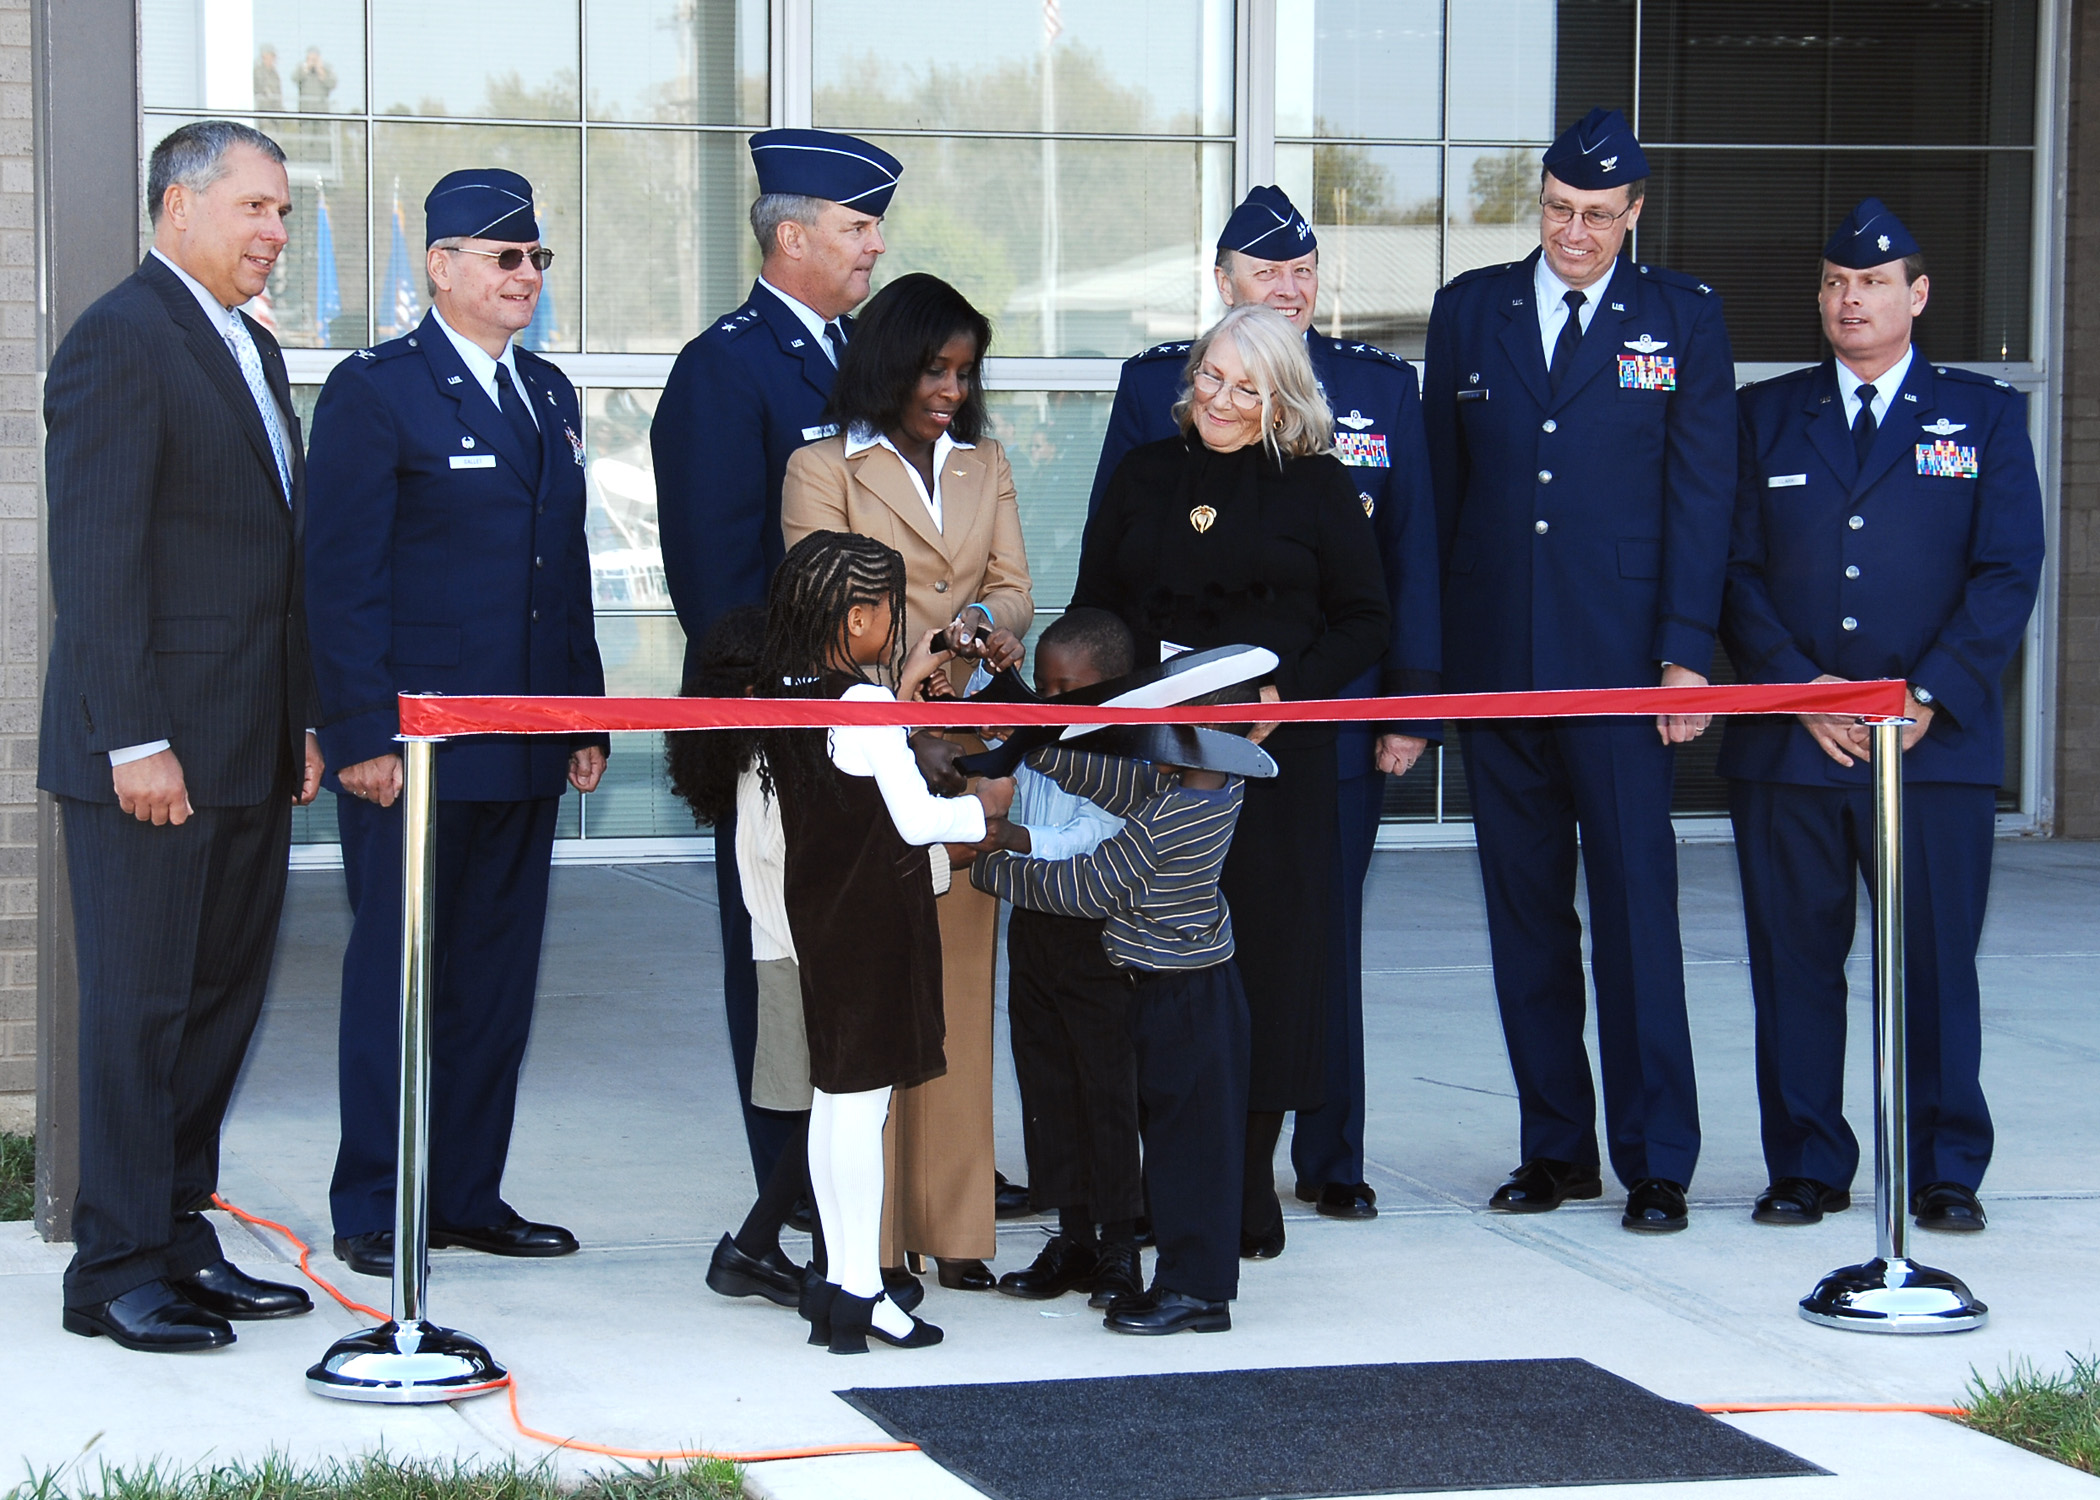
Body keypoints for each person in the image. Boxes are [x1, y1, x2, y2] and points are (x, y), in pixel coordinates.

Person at [1086, 185, 1439, 1221]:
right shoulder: (1147, 457)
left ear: (1282, 395)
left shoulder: (1328, 467)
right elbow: (1100, 601)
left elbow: (1382, 596)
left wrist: (1338, 697)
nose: (1223, 397)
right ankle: (1165, 1168)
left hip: (1283, 754)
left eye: (1248, 387)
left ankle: (1277, 1172)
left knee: (1288, 962)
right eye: (1212, 376)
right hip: (1161, 758)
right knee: (1157, 955)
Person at [1422, 107, 1736, 1233]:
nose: (1575, 232)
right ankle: (1556, 1149)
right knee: (1526, 920)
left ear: (1634, 214)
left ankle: (1656, 1160)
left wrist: (1686, 655)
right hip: (1500, 665)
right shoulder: (1473, 310)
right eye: (1560, 209)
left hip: (1622, 670)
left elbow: (1703, 493)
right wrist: (1434, 667)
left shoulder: (1682, 318)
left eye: (1599, 215)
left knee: (1637, 918)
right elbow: (1441, 497)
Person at [40, 120, 324, 1352]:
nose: (275, 233)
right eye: (256, 207)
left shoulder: (250, 346)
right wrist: (132, 741)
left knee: (216, 1008)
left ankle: (175, 1233)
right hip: (151, 757)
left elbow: (274, 559)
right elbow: (98, 564)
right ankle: (111, 1268)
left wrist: (301, 717)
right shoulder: (121, 337)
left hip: (248, 746)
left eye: (282, 212)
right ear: (178, 207)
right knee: (141, 1012)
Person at [305, 168, 608, 1279]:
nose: (527, 275)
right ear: (441, 266)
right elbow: (340, 581)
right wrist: (358, 734)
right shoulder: (377, 391)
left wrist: (582, 712)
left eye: (536, 258)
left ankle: (468, 1194)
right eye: (504, 256)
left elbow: (561, 569)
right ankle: (376, 1201)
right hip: (418, 754)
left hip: (524, 738)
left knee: (494, 979)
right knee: (401, 976)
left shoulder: (549, 394)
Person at [1721, 200, 2044, 1235]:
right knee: (1795, 966)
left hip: (1931, 749)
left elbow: (2008, 570)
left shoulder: (1983, 416)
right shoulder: (1768, 415)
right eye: (1834, 284)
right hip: (1794, 745)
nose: (1849, 300)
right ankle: (1807, 1163)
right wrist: (1798, 685)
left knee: (1936, 966)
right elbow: (1733, 568)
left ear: (1919, 295)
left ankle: (1945, 1169)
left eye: (1871, 283)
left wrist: (1930, 691)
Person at [652, 128, 902, 1197]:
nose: (875, 246)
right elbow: (717, 581)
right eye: (858, 227)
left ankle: (866, 1173)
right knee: (782, 952)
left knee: (868, 944)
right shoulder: (726, 366)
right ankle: (789, 1189)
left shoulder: (867, 357)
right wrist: (789, 704)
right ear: (790, 236)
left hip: (877, 713)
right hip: (785, 724)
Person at [781, 272, 1033, 1293]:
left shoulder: (986, 462)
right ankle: (874, 1246)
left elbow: (1013, 587)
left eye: (965, 373)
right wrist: (912, 689)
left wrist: (986, 629)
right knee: (878, 995)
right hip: (871, 755)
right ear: (890, 364)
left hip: (964, 742)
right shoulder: (820, 466)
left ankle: (955, 1223)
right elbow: (823, 611)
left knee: (960, 993)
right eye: (935, 369)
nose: (952, 391)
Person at [762, 530, 1012, 1354]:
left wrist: (902, 697)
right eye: (888, 611)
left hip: (820, 913)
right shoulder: (863, 706)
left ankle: (836, 1284)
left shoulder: (788, 691)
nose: (895, 624)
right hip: (874, 920)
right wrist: (985, 809)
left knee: (835, 1101)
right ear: (858, 618)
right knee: (862, 1111)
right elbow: (914, 819)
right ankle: (863, 1293)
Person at [972, 724, 1256, 1336]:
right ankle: (1184, 1283)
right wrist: (1027, 743)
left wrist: (984, 866)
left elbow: (1086, 887)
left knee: (1192, 1150)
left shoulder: (1171, 816)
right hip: (1178, 986)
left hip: (1186, 996)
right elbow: (1110, 780)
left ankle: (1198, 1293)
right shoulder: (1205, 783)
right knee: (1180, 1146)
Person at [983, 609, 1143, 1308]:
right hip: (1035, 925)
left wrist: (1011, 839)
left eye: (1066, 688)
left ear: (1112, 687)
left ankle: (1120, 1246)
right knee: (1046, 1082)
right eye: (1043, 687)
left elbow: (1088, 835)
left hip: (1095, 934)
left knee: (1105, 1088)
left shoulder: (1121, 749)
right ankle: (1073, 1236)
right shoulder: (1038, 734)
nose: (1050, 700)